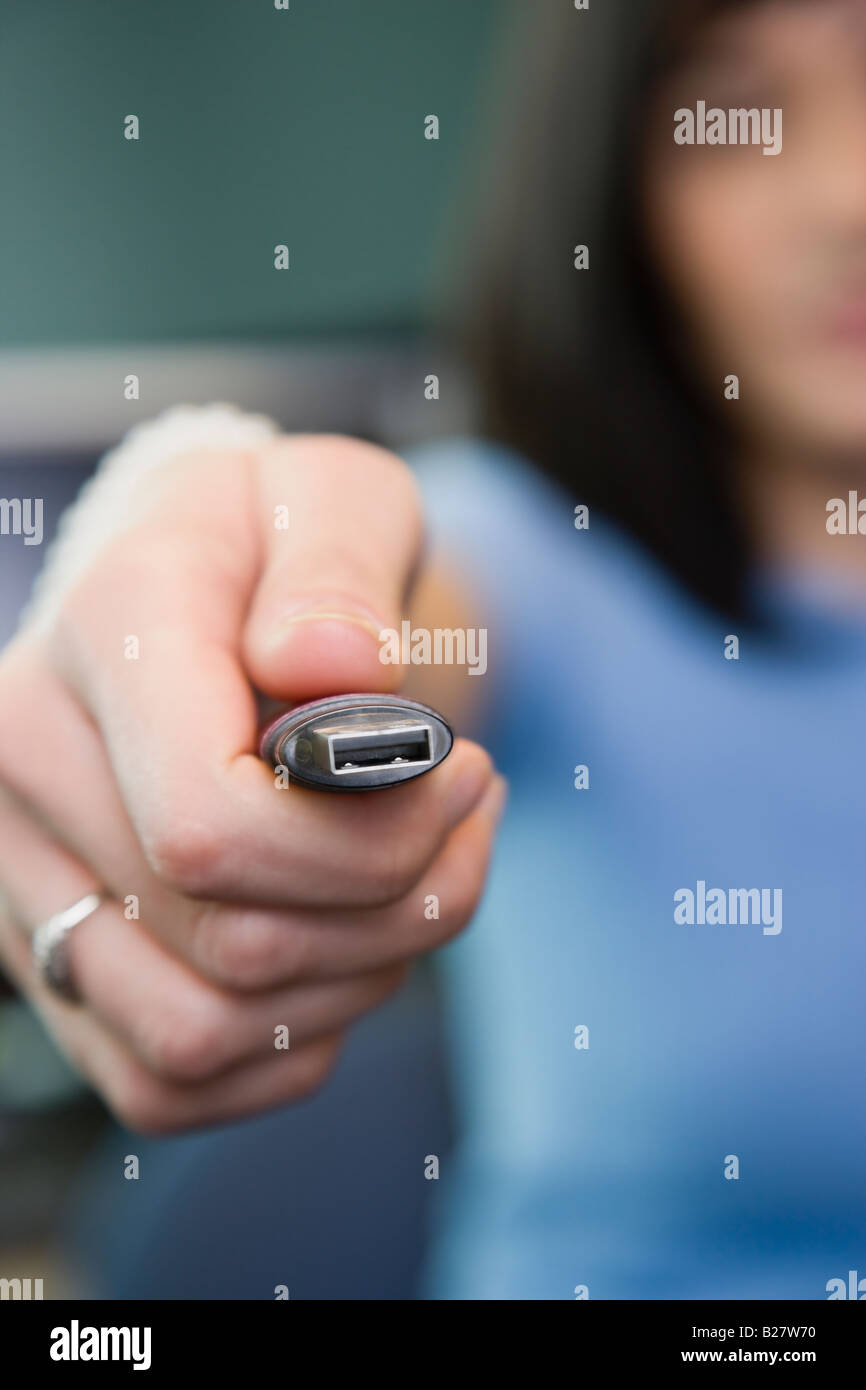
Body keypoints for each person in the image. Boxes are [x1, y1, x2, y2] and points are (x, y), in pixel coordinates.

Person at [2, 0, 865, 1298]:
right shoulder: (533, 554)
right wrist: (195, 513)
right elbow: (385, 590)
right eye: (726, 117)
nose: (843, 195)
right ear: (618, 199)